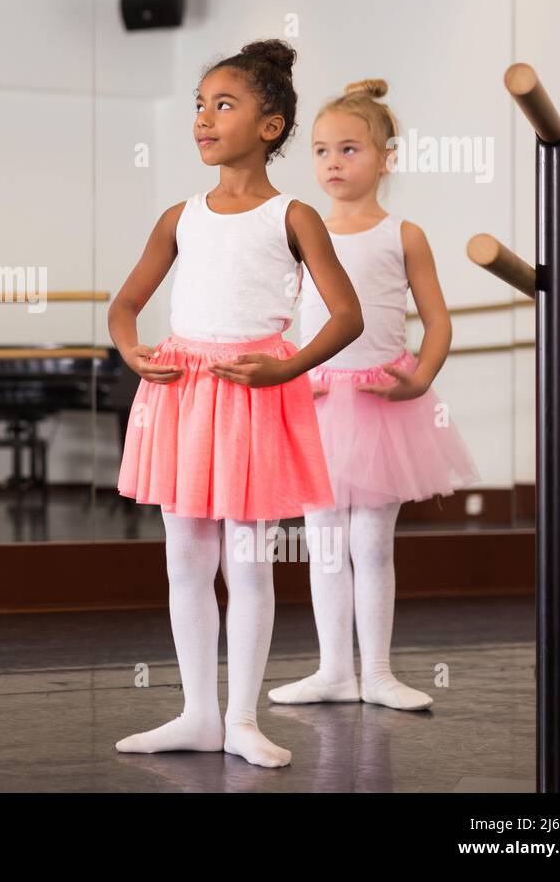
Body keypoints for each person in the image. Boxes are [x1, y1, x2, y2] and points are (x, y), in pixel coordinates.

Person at [111, 39, 363, 768]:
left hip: (252, 392)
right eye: (199, 104)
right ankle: (197, 712)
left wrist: (287, 371)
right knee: (184, 557)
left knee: (248, 561)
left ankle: (244, 717)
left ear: (271, 125)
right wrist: (132, 349)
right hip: (183, 393)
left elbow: (346, 315)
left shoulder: (294, 215)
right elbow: (125, 304)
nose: (203, 118)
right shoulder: (179, 216)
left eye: (224, 104)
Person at [268, 79, 480, 712]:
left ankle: (379, 672)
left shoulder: (403, 234)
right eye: (323, 150)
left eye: (351, 149)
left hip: (384, 404)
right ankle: (335, 670)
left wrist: (420, 378)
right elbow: (286, 314)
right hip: (320, 404)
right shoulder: (303, 232)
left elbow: (437, 321)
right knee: (325, 542)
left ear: (388, 157)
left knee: (372, 544)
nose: (334, 162)